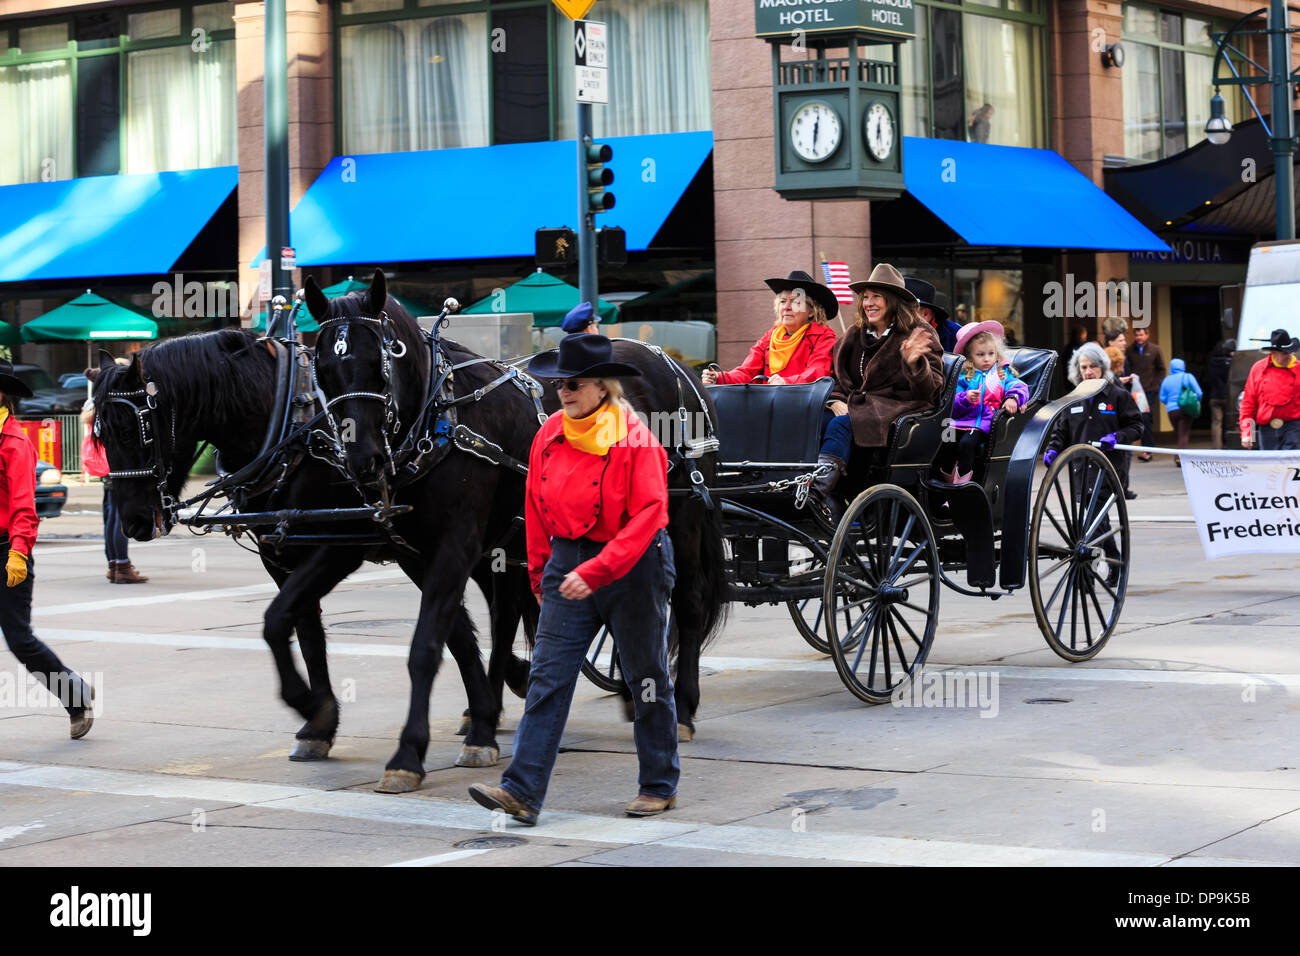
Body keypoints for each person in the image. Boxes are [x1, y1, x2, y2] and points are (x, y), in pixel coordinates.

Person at [469, 334, 678, 825]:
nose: (563, 390)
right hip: (568, 565)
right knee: (546, 678)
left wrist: (597, 570)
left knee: (645, 677)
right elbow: (536, 509)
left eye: (574, 383)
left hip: (632, 565)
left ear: (603, 387)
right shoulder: (548, 434)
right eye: (559, 382)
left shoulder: (635, 439)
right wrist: (543, 575)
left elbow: (650, 514)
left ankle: (658, 784)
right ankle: (520, 790)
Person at [0, 359, 94, 739]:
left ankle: (74, 695)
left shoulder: (14, 442)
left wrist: (19, 552)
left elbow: (24, 506)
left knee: (20, 640)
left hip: (7, 552)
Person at [812, 263, 945, 514]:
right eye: (866, 297)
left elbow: (932, 390)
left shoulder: (920, 332)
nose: (869, 303)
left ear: (893, 301)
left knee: (843, 424)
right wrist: (836, 400)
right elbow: (839, 379)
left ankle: (818, 491)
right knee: (818, 418)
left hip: (900, 411)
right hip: (858, 406)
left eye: (877, 297)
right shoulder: (855, 334)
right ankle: (809, 485)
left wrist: (914, 363)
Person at [1043, 343, 1142, 585]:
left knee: (1094, 517)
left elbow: (1137, 426)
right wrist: (1052, 449)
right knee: (1097, 519)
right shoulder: (1073, 398)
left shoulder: (1117, 396)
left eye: (1092, 366)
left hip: (1106, 468)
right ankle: (1114, 558)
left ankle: (1087, 568)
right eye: (1083, 367)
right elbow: (1060, 431)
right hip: (1079, 469)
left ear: (1102, 367)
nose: (1088, 372)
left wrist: (1117, 437)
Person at [702, 270, 837, 385]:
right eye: (783, 302)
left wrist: (786, 382)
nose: (786, 307)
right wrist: (719, 377)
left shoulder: (824, 336)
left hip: (804, 406)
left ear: (812, 311)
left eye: (796, 302)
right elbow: (747, 372)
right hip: (768, 403)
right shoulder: (769, 337)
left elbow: (818, 371)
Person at [937, 320, 1028, 484]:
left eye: (991, 354)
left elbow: (1018, 385)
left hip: (983, 424)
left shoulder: (1001, 373)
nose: (987, 359)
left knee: (966, 444)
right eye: (980, 355)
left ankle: (962, 487)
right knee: (945, 441)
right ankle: (947, 484)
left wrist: (1012, 398)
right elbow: (952, 404)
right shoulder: (963, 376)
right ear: (970, 356)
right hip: (957, 422)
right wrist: (966, 398)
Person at [80, 397, 148, 584]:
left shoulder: (96, 406)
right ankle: (122, 566)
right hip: (117, 465)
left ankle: (113, 565)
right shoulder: (111, 407)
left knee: (110, 516)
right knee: (119, 516)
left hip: (107, 468)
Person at [1239, 328, 1300, 450]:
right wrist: (1247, 432)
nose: (1289, 356)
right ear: (1273, 353)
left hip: (1294, 429)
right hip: (1267, 431)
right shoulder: (1258, 369)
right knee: (1269, 467)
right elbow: (1248, 403)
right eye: (1284, 353)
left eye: (1290, 352)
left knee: (1291, 466)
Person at [1105, 345, 1142, 499]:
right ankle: (1121, 489)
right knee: (1124, 459)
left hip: (1114, 429)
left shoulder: (1111, 381)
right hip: (1117, 429)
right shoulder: (1114, 385)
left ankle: (1121, 489)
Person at [1125, 326, 1166, 460]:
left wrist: (1156, 385)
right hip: (1133, 391)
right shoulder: (1130, 350)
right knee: (1134, 418)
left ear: (1147, 335)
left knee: (1145, 418)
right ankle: (1132, 448)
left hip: (1149, 391)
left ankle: (1147, 450)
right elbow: (1126, 368)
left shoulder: (1155, 349)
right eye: (1136, 335)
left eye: (1141, 335)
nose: (1139, 338)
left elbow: (1161, 369)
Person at [1159, 358, 1202, 466]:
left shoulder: (1166, 380)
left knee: (1179, 434)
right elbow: (1199, 393)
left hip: (1171, 411)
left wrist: (1170, 402)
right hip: (1185, 409)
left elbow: (1162, 397)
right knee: (1184, 434)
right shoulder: (1188, 377)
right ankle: (1179, 458)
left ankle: (1180, 454)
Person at [905, 276, 961, 353]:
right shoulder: (890, 330)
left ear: (926, 314)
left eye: (905, 311)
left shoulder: (957, 334)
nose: (898, 315)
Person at [1207, 338, 1235, 449]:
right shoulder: (1231, 363)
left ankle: (1217, 447)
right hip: (1228, 396)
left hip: (1215, 396)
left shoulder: (1212, 362)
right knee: (1230, 421)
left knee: (1216, 422)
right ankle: (1229, 445)